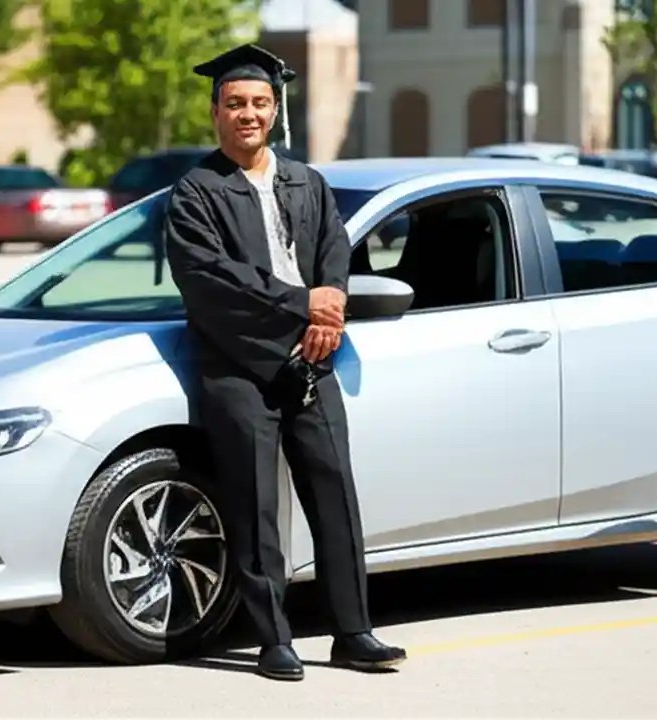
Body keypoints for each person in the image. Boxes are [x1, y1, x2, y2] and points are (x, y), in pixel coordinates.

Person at [162, 43, 406, 682]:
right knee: (254, 507)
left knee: (335, 496)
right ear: (215, 111)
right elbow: (212, 281)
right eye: (235, 103)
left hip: (312, 360)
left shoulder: (307, 181)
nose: (248, 113)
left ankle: (353, 632)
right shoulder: (195, 194)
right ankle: (273, 639)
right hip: (237, 367)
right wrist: (304, 305)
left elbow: (335, 252)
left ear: (275, 110)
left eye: (260, 103)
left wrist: (330, 311)